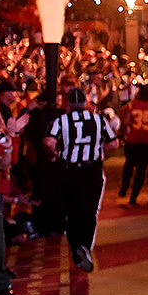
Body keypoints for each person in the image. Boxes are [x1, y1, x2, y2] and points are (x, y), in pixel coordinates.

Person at [43, 88, 117, 274]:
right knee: (90, 210)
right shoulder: (99, 120)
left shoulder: (61, 121)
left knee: (72, 209)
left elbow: (49, 143)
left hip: (69, 169)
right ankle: (84, 246)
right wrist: (97, 149)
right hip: (92, 169)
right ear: (86, 103)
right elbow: (113, 143)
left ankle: (76, 247)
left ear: (68, 103)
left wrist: (54, 155)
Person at [118, 82, 148, 206]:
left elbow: (126, 121)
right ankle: (134, 196)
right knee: (141, 169)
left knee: (129, 164)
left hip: (134, 139)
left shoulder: (132, 105)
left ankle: (124, 187)